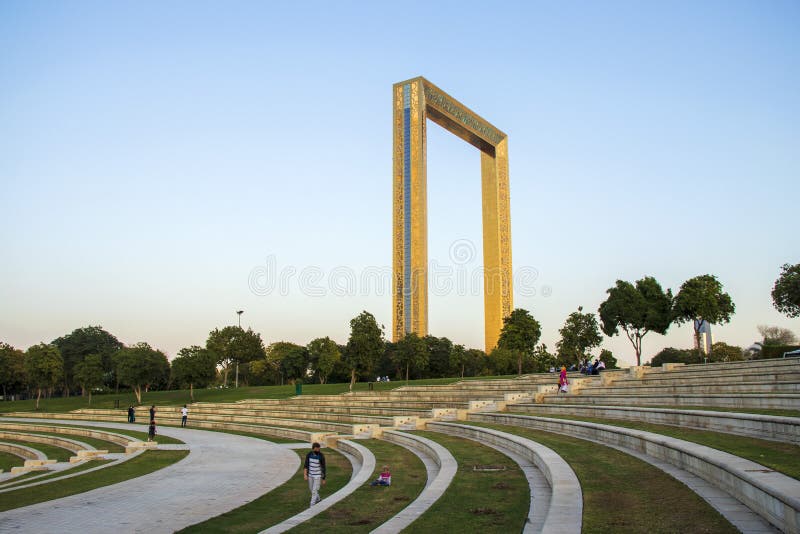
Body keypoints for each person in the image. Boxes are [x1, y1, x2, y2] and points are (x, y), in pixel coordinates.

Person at [304, 442, 326, 507]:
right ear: (314, 448)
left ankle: (312, 505)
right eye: (317, 449)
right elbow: (306, 465)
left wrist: (323, 478)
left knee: (314, 490)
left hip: (317, 475)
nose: (318, 450)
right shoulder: (309, 455)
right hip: (310, 475)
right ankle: (318, 499)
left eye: (319, 449)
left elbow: (323, 467)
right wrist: (305, 475)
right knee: (311, 489)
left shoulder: (321, 456)